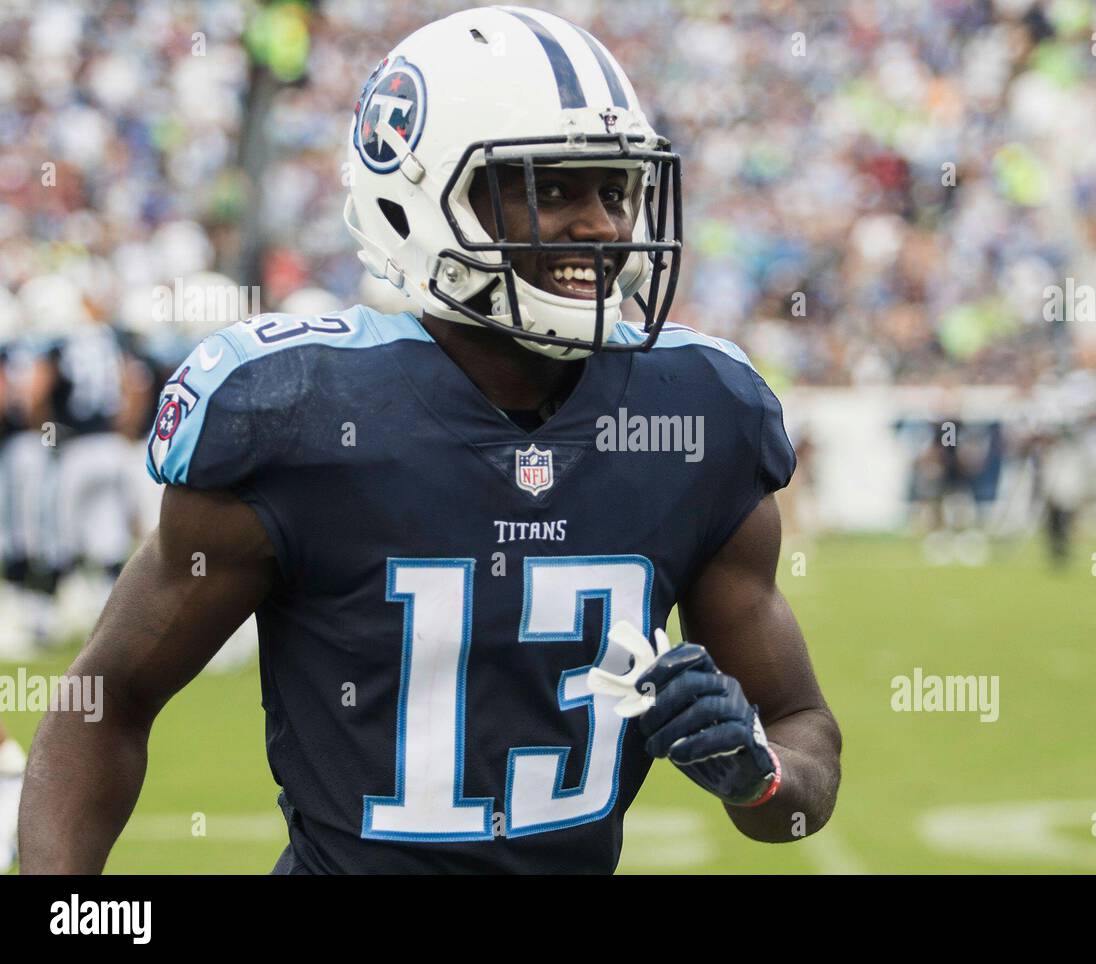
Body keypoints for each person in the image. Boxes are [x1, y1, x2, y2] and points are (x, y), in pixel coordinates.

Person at [18, 7, 841, 874]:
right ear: (420, 196)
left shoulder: (697, 415)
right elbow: (103, 702)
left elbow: (802, 733)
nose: (600, 227)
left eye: (614, 190)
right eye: (549, 189)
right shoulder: (295, 413)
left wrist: (762, 776)